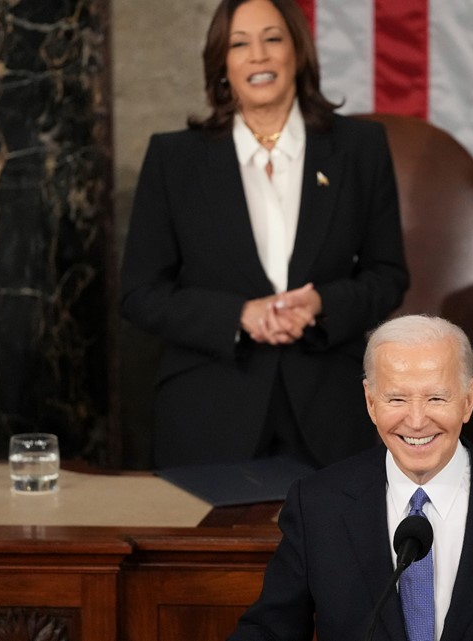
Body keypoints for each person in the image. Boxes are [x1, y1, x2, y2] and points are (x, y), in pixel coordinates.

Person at [120, 0, 408, 468]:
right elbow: (139, 293)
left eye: (272, 38)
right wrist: (239, 315)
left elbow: (388, 274)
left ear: (297, 52)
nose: (258, 55)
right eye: (239, 44)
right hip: (208, 407)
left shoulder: (360, 149)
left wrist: (321, 306)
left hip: (329, 406)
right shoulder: (174, 159)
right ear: (221, 65)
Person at [228, 315, 473, 641]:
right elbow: (267, 632)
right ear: (370, 401)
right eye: (396, 399)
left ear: (468, 400)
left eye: (436, 398)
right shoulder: (317, 506)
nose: (416, 421)